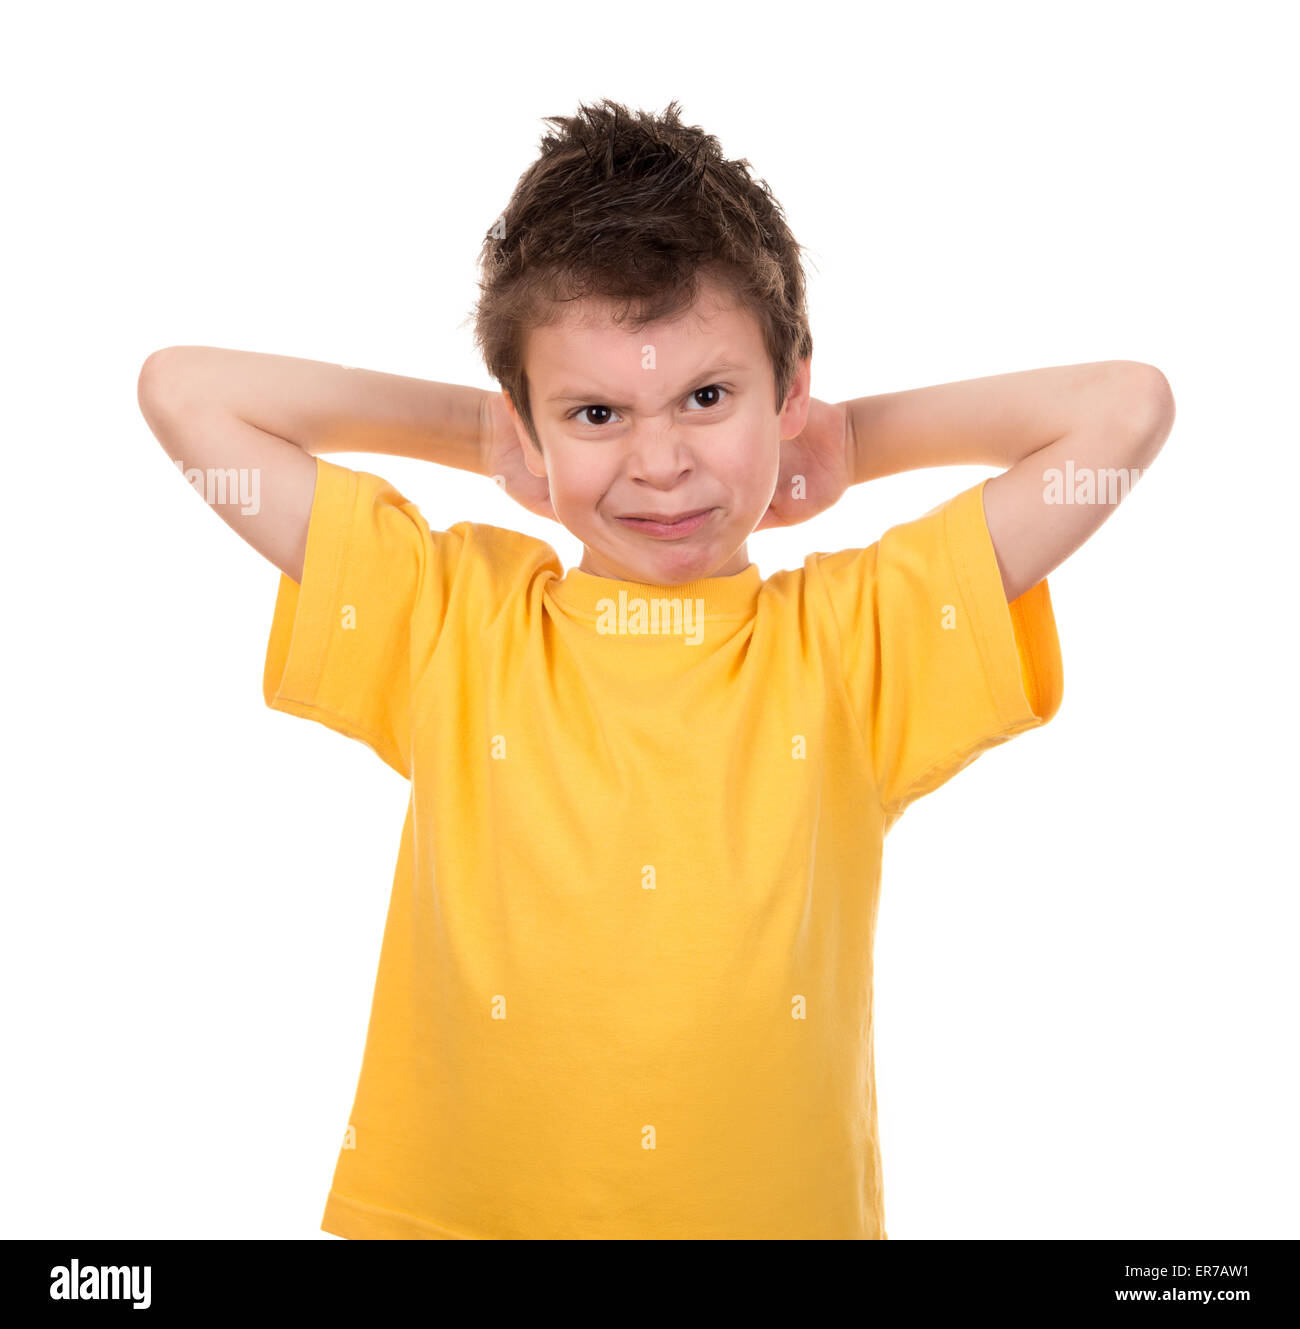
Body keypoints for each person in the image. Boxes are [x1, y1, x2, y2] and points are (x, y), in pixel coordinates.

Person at [136, 98, 1174, 1239]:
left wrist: (847, 442)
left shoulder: (851, 641)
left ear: (788, 390)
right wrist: (486, 436)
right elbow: (186, 393)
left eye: (709, 397)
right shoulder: (453, 619)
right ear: (530, 432)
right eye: (595, 413)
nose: (662, 462)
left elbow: (1124, 411)